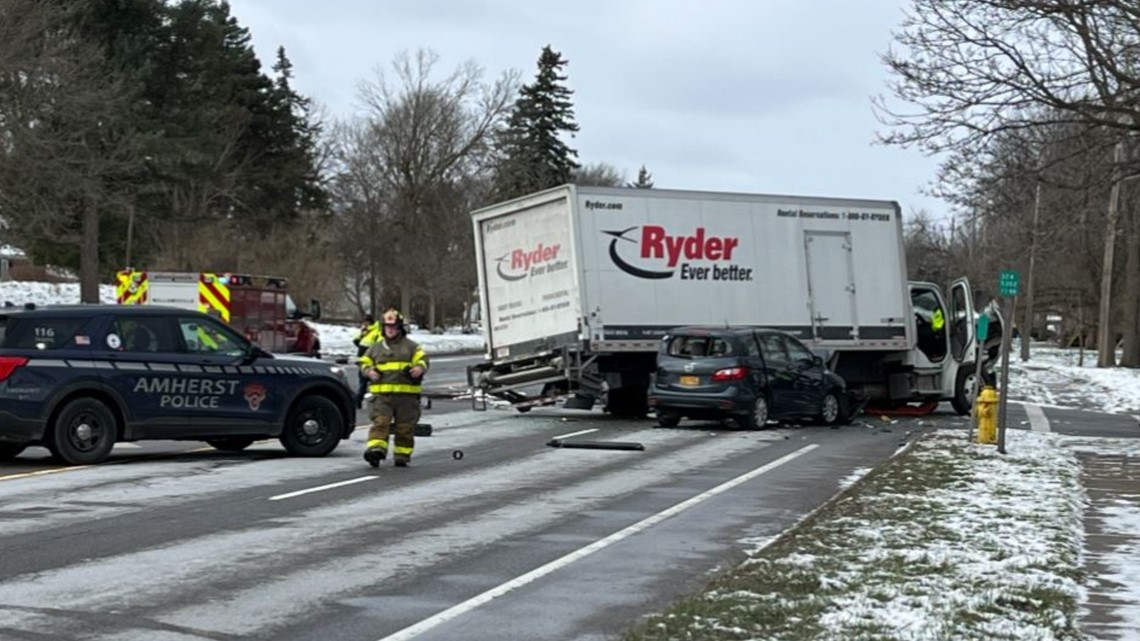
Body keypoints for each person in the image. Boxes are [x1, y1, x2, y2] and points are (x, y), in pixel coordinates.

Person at [360, 308, 429, 468]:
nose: (390, 330)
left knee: (405, 428)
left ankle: (402, 455)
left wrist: (419, 367)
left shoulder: (411, 347)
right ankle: (376, 451)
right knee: (380, 423)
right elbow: (364, 362)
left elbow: (423, 360)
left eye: (393, 326)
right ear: (383, 328)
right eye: (387, 326)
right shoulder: (375, 348)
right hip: (382, 397)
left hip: (406, 397)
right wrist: (369, 371)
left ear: (399, 328)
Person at [352, 313, 380, 408]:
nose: (365, 323)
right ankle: (358, 401)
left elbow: (379, 344)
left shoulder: (376, 331)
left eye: (366, 322)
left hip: (372, 360)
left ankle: (374, 401)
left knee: (370, 381)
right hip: (362, 359)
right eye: (364, 321)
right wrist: (362, 334)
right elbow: (356, 341)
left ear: (370, 322)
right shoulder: (365, 331)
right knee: (362, 382)